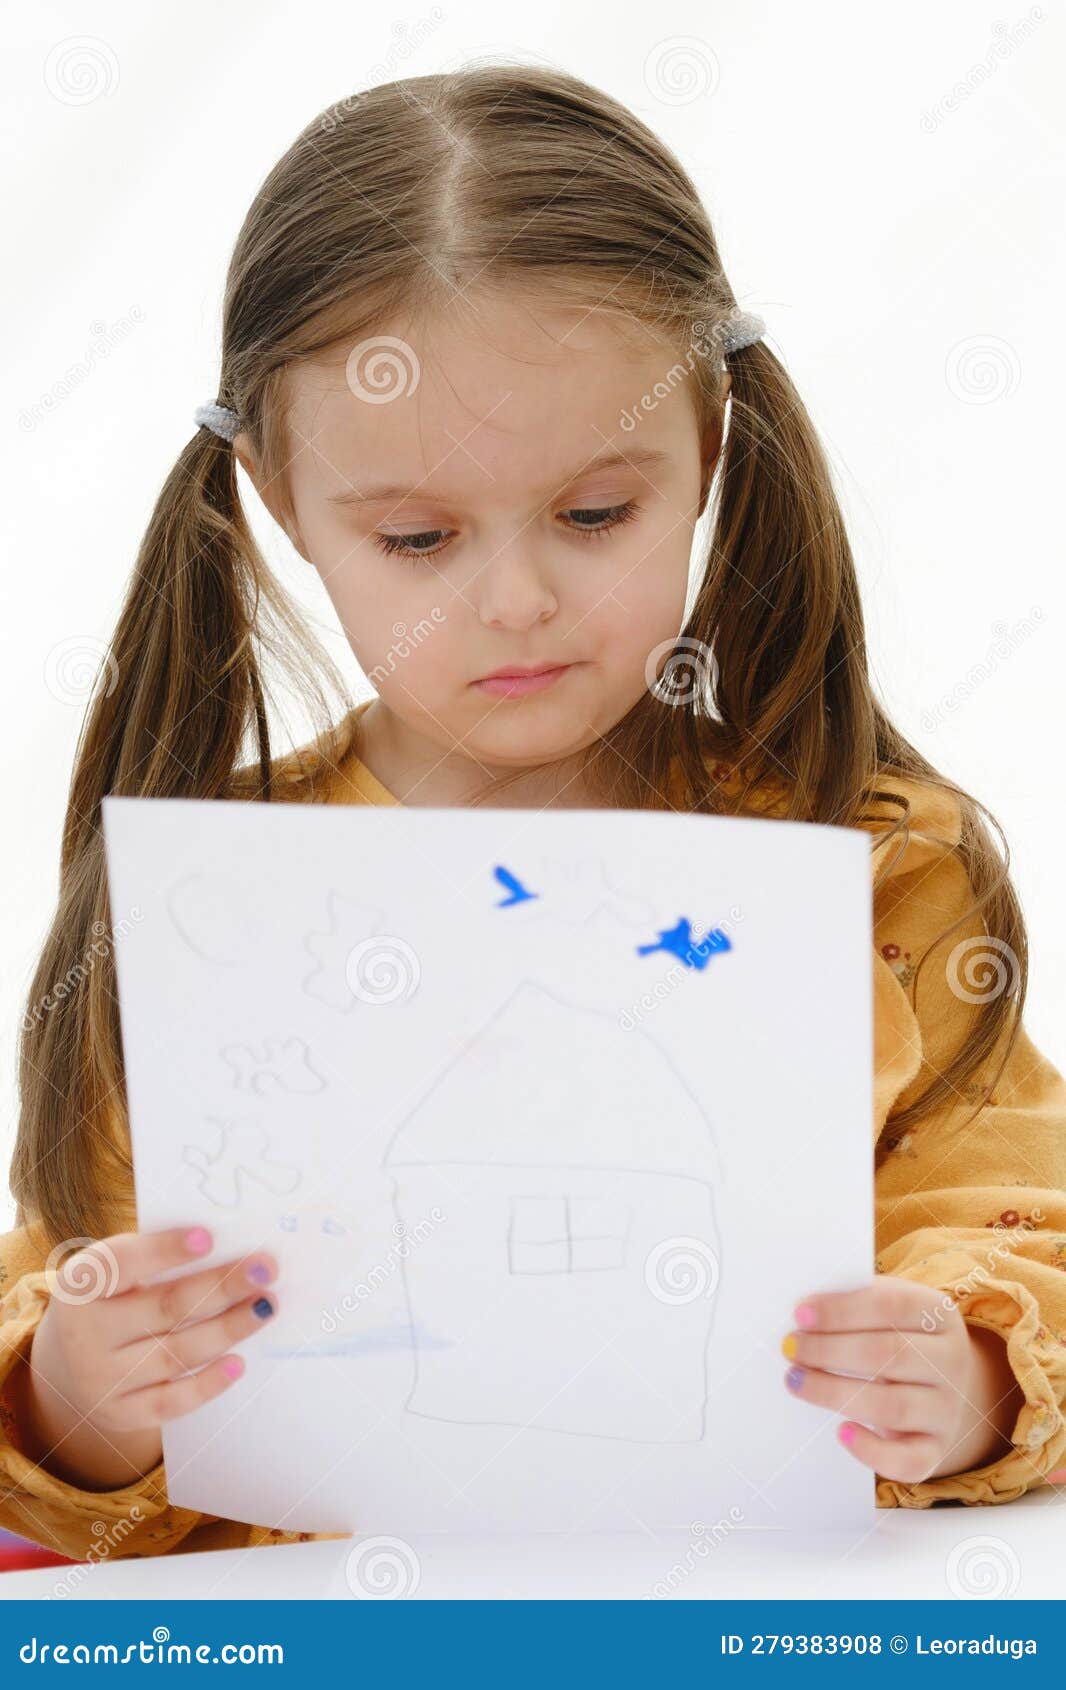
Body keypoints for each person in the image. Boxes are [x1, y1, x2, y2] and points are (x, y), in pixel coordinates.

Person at [2, 64, 1064, 1563]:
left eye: (590, 514)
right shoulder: (224, 907)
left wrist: (965, 1366)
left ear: (706, 434)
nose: (515, 600)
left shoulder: (869, 862)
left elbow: (1017, 1206)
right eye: (418, 536)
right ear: (282, 497)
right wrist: (81, 1401)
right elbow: (84, 1294)